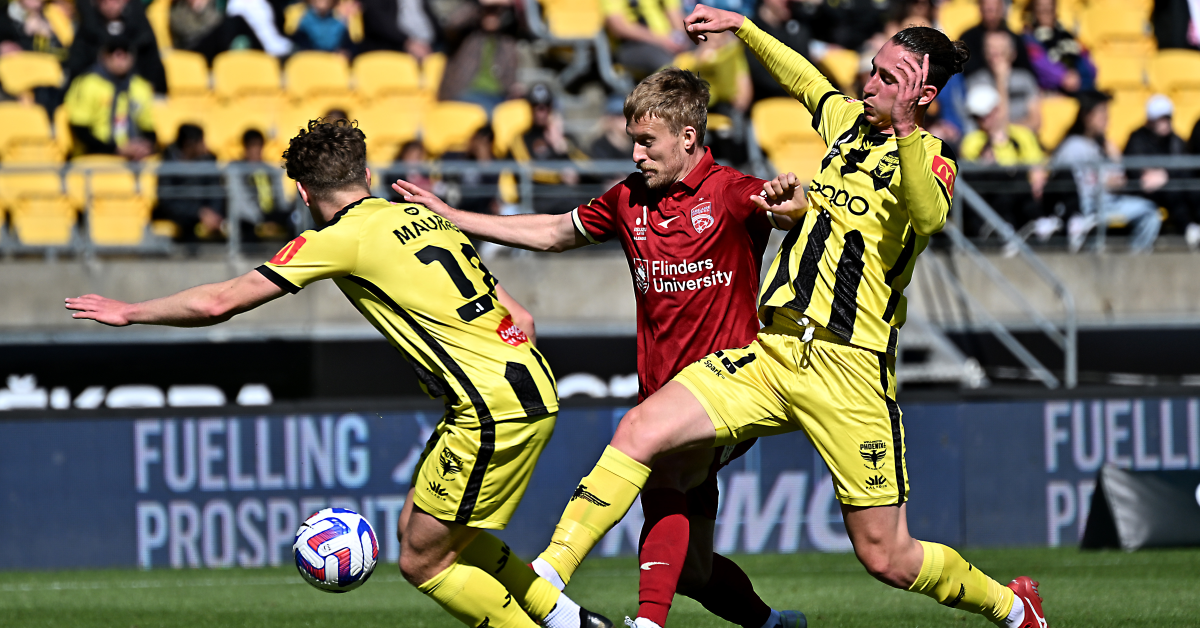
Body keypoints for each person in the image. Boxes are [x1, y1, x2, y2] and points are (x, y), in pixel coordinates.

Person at [523, 6, 1049, 628]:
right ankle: (546, 580)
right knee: (640, 429)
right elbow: (805, 79)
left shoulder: (932, 158)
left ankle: (1012, 608)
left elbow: (930, 216)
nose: (869, 84)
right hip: (772, 352)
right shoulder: (848, 125)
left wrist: (907, 127)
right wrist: (742, 28)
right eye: (873, 69)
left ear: (922, 96)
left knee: (887, 556)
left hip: (849, 369)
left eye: (889, 79)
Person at [66, 118, 613, 628]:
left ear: (304, 194)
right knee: (418, 529)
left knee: (423, 562)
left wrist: (130, 311)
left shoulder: (339, 237)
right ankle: (571, 620)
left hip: (489, 408)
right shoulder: (425, 217)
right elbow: (523, 318)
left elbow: (218, 303)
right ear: (367, 175)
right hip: (523, 383)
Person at [394, 67, 805, 628]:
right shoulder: (628, 199)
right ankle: (774, 625)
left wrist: (791, 203)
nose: (636, 154)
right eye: (634, 141)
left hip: (728, 388)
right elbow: (551, 233)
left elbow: (789, 209)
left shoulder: (729, 192)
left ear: (688, 137)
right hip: (661, 391)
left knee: (662, 465)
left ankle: (607, 602)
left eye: (647, 142)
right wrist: (453, 217)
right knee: (693, 571)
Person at [1052, 91, 1161, 253]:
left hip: (1110, 202)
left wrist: (1116, 160)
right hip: (1086, 206)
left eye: (1107, 113)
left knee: (1150, 212)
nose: (1106, 119)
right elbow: (1067, 187)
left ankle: (1135, 259)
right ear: (1087, 116)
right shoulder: (1072, 147)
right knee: (1091, 223)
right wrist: (1102, 184)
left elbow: (1118, 177)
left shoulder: (1103, 145)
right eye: (1101, 113)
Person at [959, 83, 1050, 241]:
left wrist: (1038, 177)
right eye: (977, 116)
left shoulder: (1022, 134)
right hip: (997, 194)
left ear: (997, 111)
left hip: (1025, 191)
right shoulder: (971, 141)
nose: (982, 120)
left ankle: (1042, 223)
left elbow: (1037, 165)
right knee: (1006, 179)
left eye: (985, 114)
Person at [63, 33, 156, 161]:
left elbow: (148, 127)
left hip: (134, 156)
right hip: (95, 154)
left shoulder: (140, 86)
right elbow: (80, 129)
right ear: (103, 56)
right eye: (113, 51)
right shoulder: (88, 84)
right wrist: (115, 150)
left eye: (126, 51)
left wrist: (144, 146)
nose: (120, 56)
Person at [1125, 95, 1200, 250]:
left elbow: (1185, 168)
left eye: (1167, 118)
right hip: (1144, 191)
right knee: (1174, 191)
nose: (1164, 122)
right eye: (1159, 118)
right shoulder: (1137, 139)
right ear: (1149, 120)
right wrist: (1165, 175)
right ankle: (1187, 227)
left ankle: (1192, 226)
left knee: (1189, 188)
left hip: (1172, 188)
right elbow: (1141, 175)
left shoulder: (1175, 141)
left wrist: (1165, 175)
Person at [67, 0, 167, 94]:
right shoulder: (88, 30)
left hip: (133, 92)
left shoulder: (140, 28)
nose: (111, 5)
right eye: (105, 2)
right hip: (96, 93)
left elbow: (153, 68)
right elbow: (76, 69)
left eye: (116, 1)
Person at [436, 0, 519, 111]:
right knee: (488, 111)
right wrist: (478, 3)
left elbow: (510, 77)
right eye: (487, 11)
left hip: (498, 96)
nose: (491, 16)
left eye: (496, 11)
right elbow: (451, 23)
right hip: (464, 92)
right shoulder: (467, 36)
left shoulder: (507, 41)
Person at [156, 123, 225, 241]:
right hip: (182, 219)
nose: (205, 146)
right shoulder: (167, 165)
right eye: (201, 142)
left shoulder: (208, 161)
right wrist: (199, 213)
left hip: (206, 216)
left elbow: (216, 191)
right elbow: (167, 202)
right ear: (189, 144)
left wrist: (213, 213)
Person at [965, 31, 1039, 131]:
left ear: (1013, 53)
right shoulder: (976, 82)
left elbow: (1035, 122)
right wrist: (1001, 80)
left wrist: (1011, 131)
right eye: (990, 48)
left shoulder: (1025, 79)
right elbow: (995, 124)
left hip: (1024, 137)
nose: (995, 52)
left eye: (1000, 47)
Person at [231, 128, 294, 242]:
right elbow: (240, 202)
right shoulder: (237, 169)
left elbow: (281, 199)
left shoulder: (270, 170)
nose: (256, 150)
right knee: (246, 226)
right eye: (252, 146)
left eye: (259, 145)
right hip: (250, 219)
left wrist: (278, 216)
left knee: (294, 220)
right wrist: (261, 220)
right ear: (245, 147)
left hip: (272, 214)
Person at [603, 0, 690, 80]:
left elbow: (674, 11)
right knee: (669, 66)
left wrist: (680, 38)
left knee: (695, 48)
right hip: (633, 45)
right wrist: (662, 40)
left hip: (668, 39)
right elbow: (618, 27)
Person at [1021, 0, 1094, 95]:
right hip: (1050, 90)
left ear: (1055, 8)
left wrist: (1079, 77)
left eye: (1049, 5)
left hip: (1079, 86)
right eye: (1040, 6)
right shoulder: (1029, 37)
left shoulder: (1068, 35)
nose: (1045, 9)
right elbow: (1039, 63)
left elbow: (1087, 63)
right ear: (1034, 10)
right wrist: (1063, 77)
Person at [744, 0, 810, 103]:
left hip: (799, 101)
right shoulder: (750, 30)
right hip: (766, 101)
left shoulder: (798, 27)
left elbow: (806, 68)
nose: (788, 2)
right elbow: (760, 76)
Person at [959, 0, 1032, 77]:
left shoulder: (1015, 38)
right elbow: (966, 69)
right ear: (980, 9)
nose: (991, 15)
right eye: (988, 10)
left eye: (995, 10)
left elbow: (1025, 68)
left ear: (1002, 10)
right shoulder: (967, 38)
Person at [0, 0, 71, 60]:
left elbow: (71, 46)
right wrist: (26, 33)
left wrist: (52, 33)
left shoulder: (53, 9)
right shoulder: (4, 21)